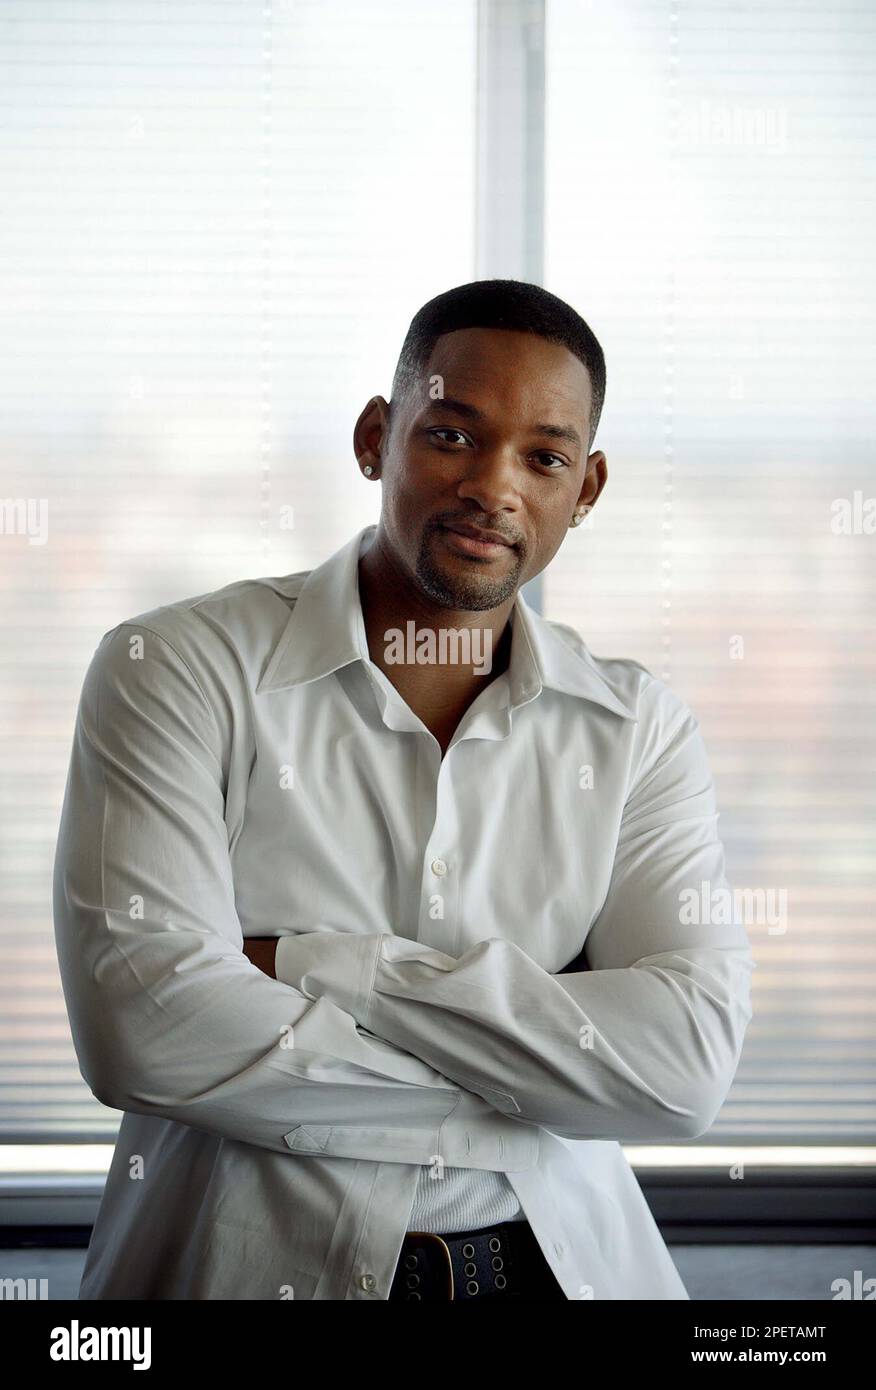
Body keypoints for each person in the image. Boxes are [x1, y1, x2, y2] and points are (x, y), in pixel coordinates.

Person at [53, 278, 755, 1301]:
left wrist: (312, 967)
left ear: (588, 489)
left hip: (556, 1272)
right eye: (454, 437)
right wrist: (536, 1076)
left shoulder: (637, 728)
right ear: (376, 436)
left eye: (545, 457)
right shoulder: (178, 667)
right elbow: (144, 1031)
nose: (495, 488)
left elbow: (684, 1065)